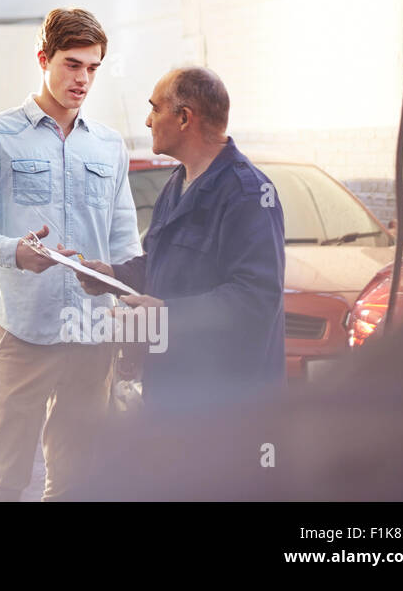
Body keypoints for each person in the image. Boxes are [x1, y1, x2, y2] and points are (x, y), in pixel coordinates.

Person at [0, 7, 141, 501]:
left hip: (91, 333)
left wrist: (124, 300)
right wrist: (13, 251)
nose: (83, 79)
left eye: (93, 68)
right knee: (3, 477)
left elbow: (124, 236)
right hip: (22, 331)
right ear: (43, 58)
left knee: (77, 480)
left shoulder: (108, 146)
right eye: (72, 64)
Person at [77, 67, 286, 414]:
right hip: (173, 397)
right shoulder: (176, 184)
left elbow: (256, 299)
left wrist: (166, 313)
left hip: (226, 408)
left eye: (155, 108)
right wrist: (112, 276)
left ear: (185, 118)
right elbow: (160, 264)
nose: (147, 121)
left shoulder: (248, 194)